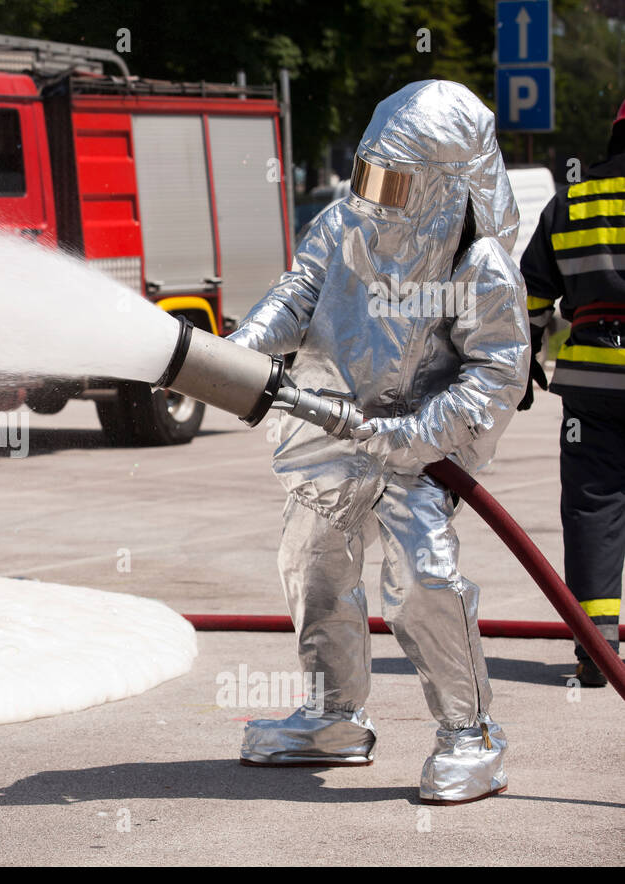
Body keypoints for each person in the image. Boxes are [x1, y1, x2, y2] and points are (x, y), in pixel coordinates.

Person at [227, 80, 529, 804]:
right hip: (329, 433)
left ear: (446, 184)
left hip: (419, 452)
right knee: (313, 568)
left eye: (396, 178)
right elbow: (299, 294)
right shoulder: (343, 224)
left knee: (424, 583)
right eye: (369, 171)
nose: (375, 193)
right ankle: (333, 718)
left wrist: (414, 435)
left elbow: (495, 376)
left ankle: (471, 735)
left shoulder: (479, 264)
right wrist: (239, 351)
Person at [518, 102, 625, 689]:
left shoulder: (573, 201)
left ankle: (595, 650)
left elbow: (530, 294)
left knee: (593, 510)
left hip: (593, 385)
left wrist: (523, 362)